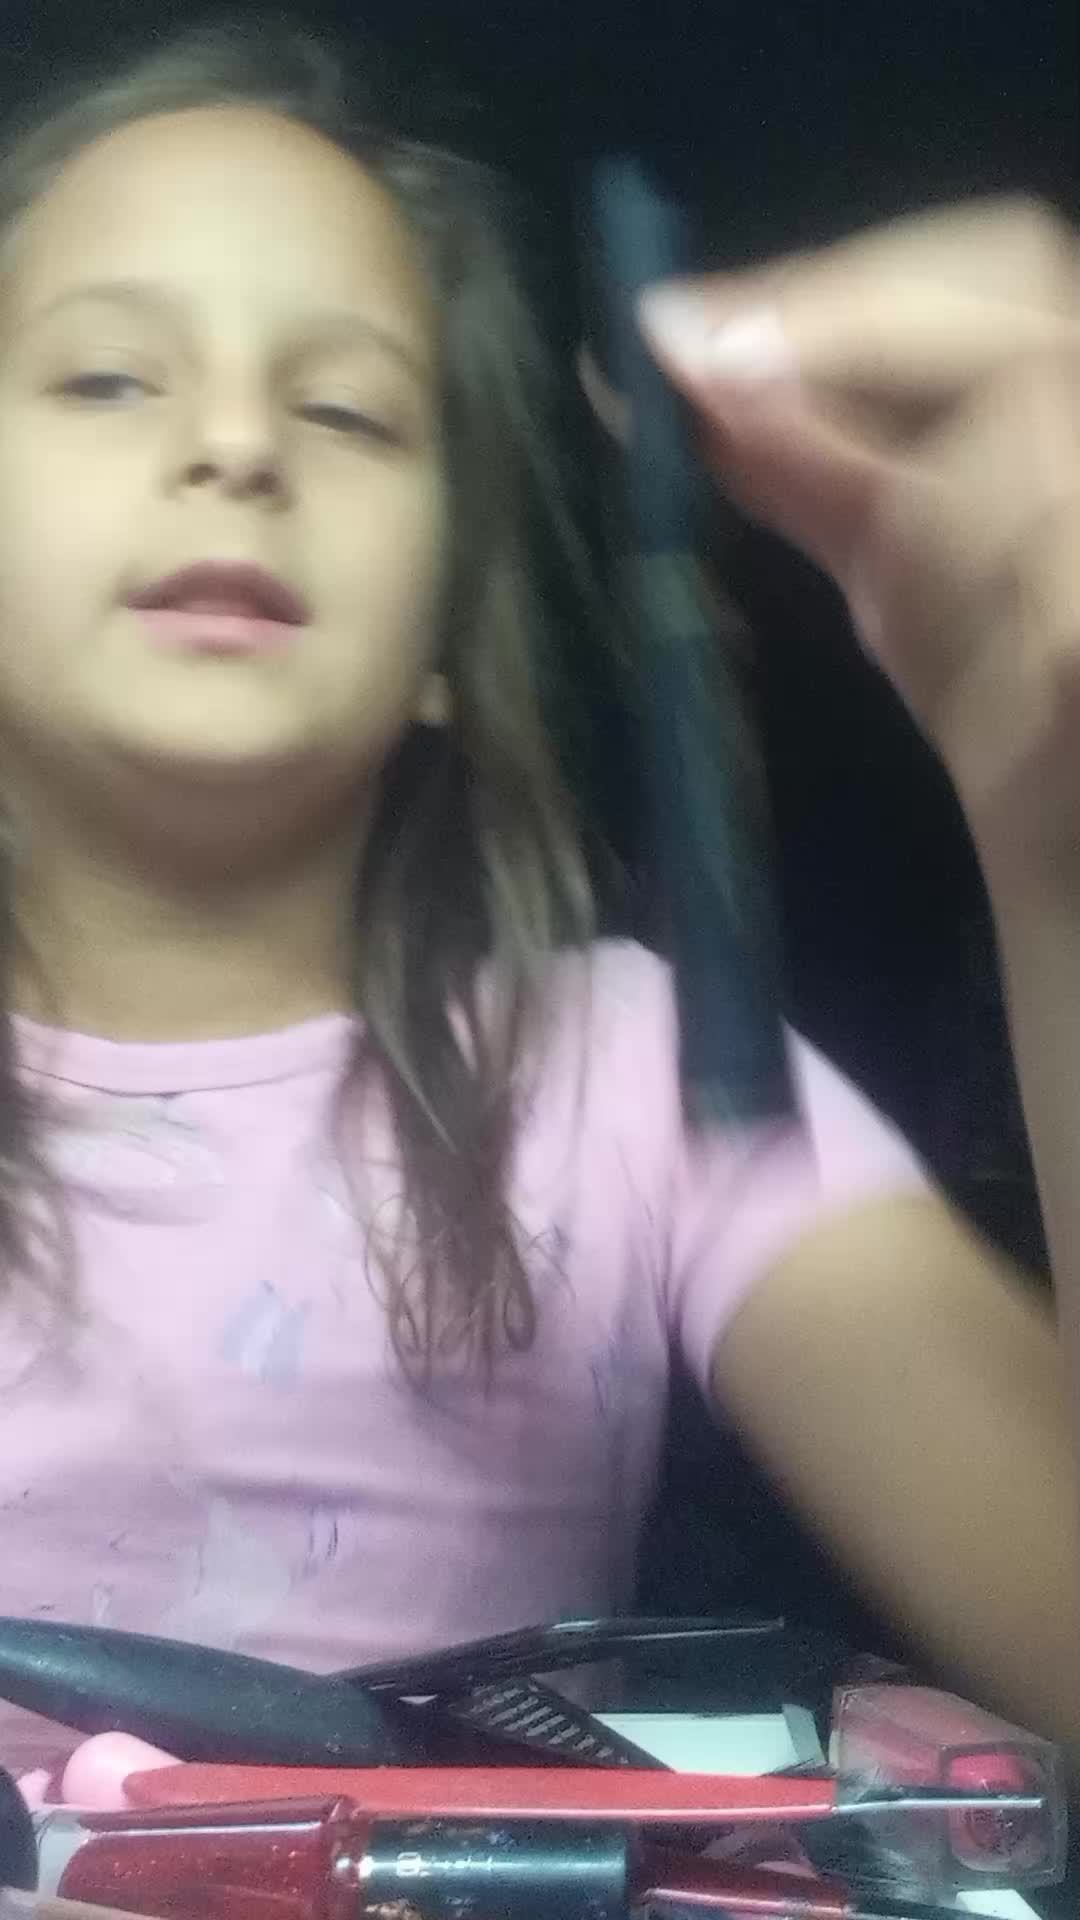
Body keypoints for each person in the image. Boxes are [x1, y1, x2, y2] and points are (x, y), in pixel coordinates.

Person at [0, 12, 1077, 1795]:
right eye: (110, 379)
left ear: (445, 634)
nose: (239, 442)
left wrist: (1053, 833)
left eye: (347, 409)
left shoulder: (643, 1080)